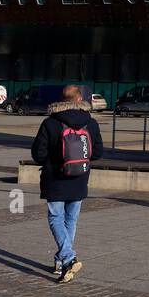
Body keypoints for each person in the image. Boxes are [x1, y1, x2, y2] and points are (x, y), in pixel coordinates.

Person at [30, 84, 103, 282]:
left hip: (55, 179)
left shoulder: (50, 123)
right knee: (71, 220)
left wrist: (53, 160)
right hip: (79, 178)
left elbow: (38, 154)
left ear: (62, 100)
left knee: (55, 218)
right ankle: (61, 260)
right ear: (79, 99)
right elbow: (97, 153)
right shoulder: (91, 123)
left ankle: (68, 258)